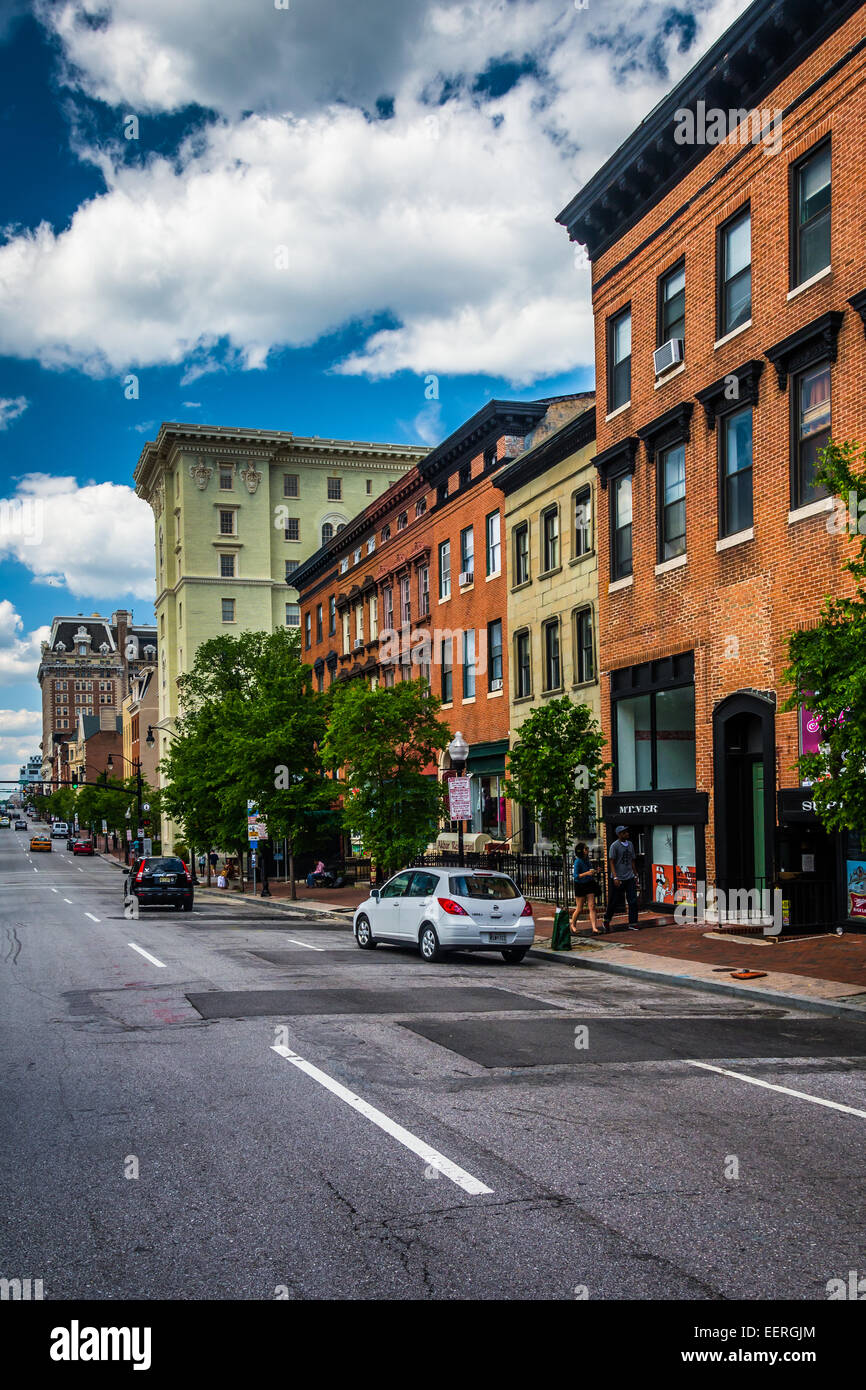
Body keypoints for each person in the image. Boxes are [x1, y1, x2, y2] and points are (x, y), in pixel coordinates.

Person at [603, 825, 640, 932]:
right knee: (614, 901)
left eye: (627, 832)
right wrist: (615, 877)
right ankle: (607, 919)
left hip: (629, 877)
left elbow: (632, 860)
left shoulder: (631, 845)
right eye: (624, 832)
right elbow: (611, 862)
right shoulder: (614, 846)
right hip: (618, 878)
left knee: (632, 900)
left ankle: (633, 923)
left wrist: (635, 874)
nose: (627, 834)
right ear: (619, 835)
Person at [570, 842, 600, 935]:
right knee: (579, 908)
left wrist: (596, 871)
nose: (587, 850)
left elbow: (590, 871)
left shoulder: (587, 860)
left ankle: (594, 928)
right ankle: (573, 925)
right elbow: (575, 876)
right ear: (581, 851)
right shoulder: (578, 861)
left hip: (589, 884)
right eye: (585, 848)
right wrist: (587, 873)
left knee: (592, 906)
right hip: (580, 885)